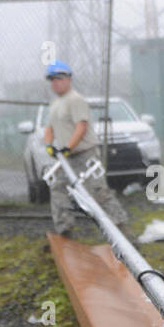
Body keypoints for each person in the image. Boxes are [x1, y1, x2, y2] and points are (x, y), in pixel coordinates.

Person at [41, 61, 132, 243]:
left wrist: (68, 146)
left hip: (85, 155)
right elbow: (49, 127)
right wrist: (49, 145)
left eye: (59, 78)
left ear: (68, 79)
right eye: (52, 79)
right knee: (58, 189)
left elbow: (81, 126)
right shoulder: (55, 103)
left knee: (98, 192)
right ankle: (65, 232)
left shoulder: (75, 100)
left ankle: (124, 233)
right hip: (66, 158)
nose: (55, 83)